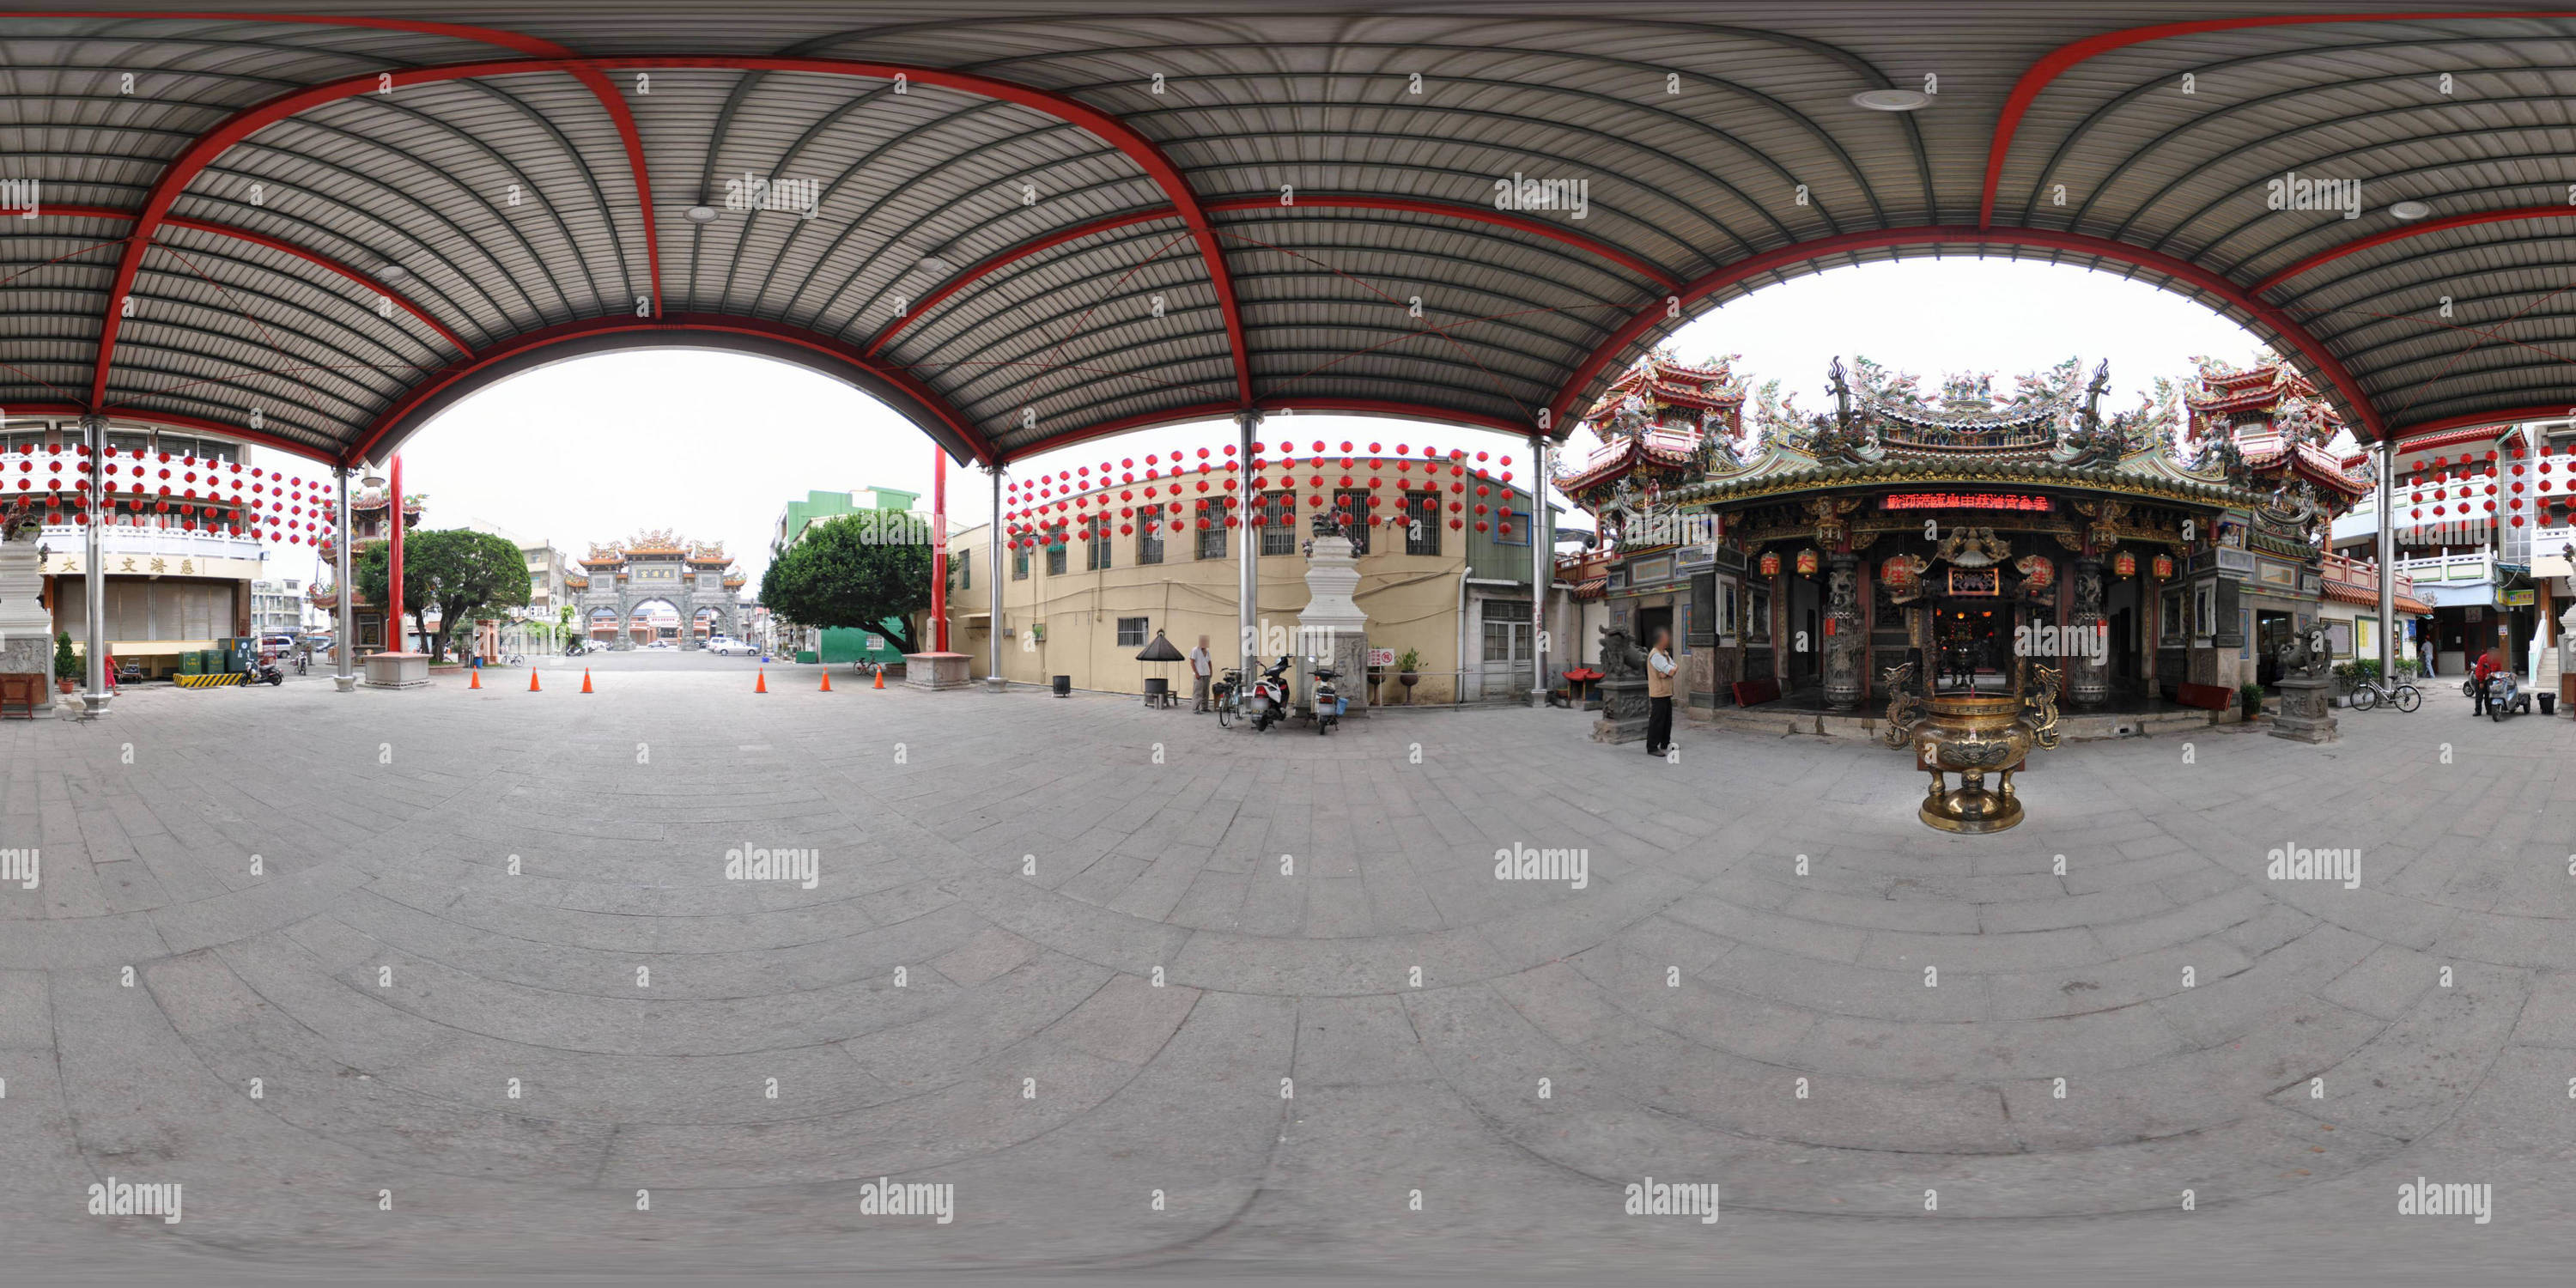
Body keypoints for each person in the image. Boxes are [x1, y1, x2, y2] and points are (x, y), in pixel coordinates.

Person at [1644, 627, 1678, 756]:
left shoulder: (1665, 653)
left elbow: (1674, 668)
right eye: (1666, 637)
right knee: (1657, 720)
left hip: (1666, 691)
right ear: (1660, 640)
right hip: (1658, 692)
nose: (1668, 639)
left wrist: (1669, 672)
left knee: (1667, 720)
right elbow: (1671, 670)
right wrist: (1669, 671)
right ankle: (1652, 747)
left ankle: (1665, 743)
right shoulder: (1656, 655)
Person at [2470, 646, 2501, 716]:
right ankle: (2478, 711)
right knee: (2479, 696)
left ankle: (2489, 711)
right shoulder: (2483, 658)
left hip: (2490, 679)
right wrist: (2481, 682)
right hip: (2481, 679)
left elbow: (2498, 671)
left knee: (2489, 696)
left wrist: (2499, 680)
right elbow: (2479, 671)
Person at [1188, 635, 1213, 713]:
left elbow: (1209, 662)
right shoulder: (1195, 650)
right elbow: (1192, 662)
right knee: (1198, 692)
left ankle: (1205, 707)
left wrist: (1211, 671)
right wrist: (1196, 673)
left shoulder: (1207, 651)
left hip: (1206, 674)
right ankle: (1195, 708)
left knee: (1206, 692)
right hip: (1199, 675)